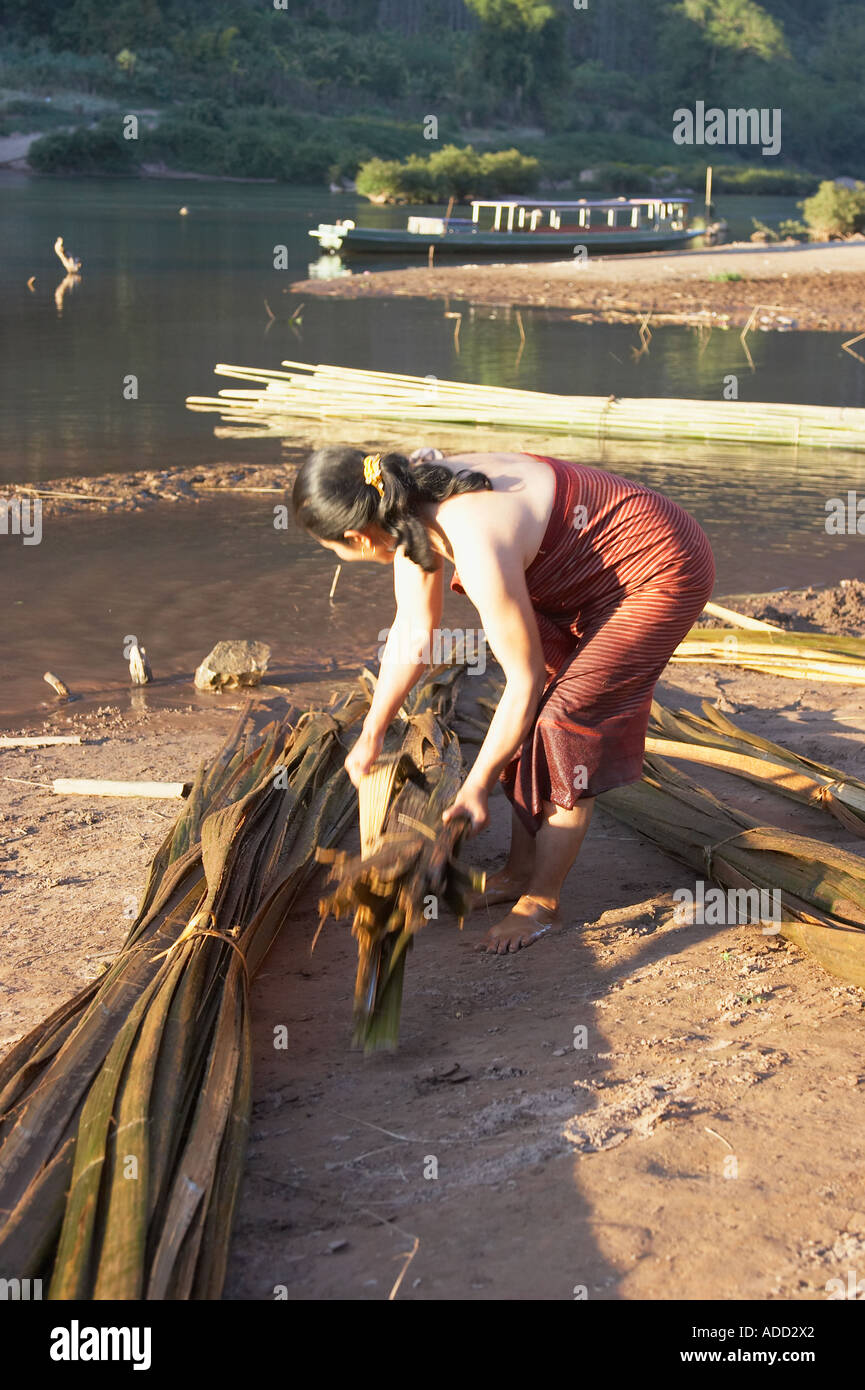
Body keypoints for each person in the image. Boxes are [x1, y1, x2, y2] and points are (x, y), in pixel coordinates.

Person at [293, 445, 715, 953]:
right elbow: (413, 631)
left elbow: (524, 680)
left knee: (563, 721)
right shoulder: (404, 505)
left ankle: (543, 902)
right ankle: (517, 873)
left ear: (356, 537)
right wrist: (373, 730)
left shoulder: (471, 533)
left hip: (658, 569)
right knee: (529, 717)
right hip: (578, 577)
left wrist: (476, 785)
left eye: (331, 548)